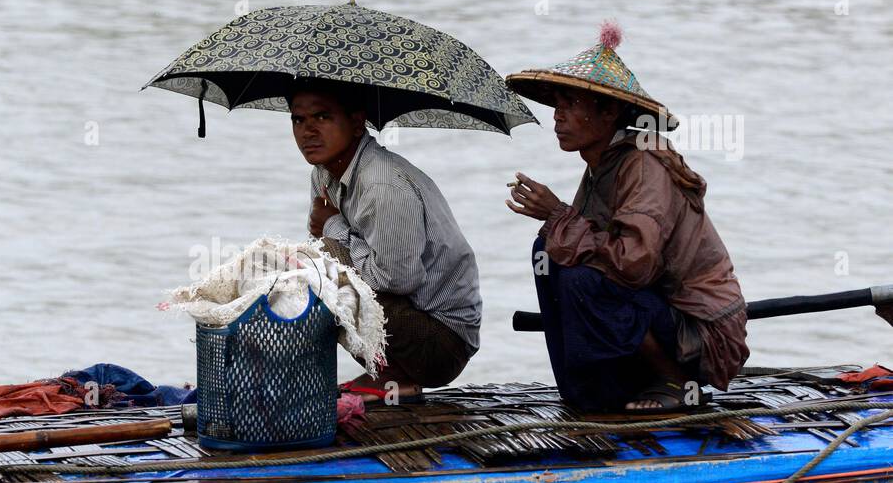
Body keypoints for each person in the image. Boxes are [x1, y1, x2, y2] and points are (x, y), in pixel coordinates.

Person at [504, 23, 749, 411]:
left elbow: (634, 264)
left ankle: (674, 381)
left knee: (580, 275)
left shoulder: (643, 164)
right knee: (548, 253)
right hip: (658, 311)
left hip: (701, 329)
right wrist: (556, 223)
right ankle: (586, 388)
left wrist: (556, 214)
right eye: (558, 106)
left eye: (571, 106)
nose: (558, 118)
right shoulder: (601, 166)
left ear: (610, 112)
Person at [294, 78, 479, 400]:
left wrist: (333, 227)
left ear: (355, 124)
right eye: (298, 119)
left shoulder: (383, 185)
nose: (308, 131)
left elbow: (398, 279)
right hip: (404, 321)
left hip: (440, 344)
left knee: (323, 265)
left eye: (322, 117)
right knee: (303, 265)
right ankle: (385, 371)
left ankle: (397, 376)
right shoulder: (323, 174)